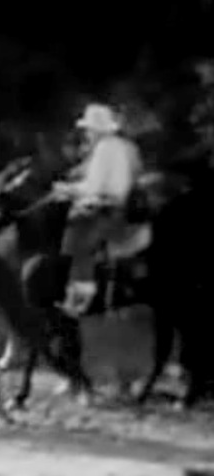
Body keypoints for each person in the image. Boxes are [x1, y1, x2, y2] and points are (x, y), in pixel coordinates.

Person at [53, 103, 143, 317]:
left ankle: (78, 299)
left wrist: (66, 190)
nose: (86, 134)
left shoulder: (104, 149)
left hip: (109, 208)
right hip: (122, 205)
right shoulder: (124, 146)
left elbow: (93, 187)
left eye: (88, 130)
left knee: (78, 239)